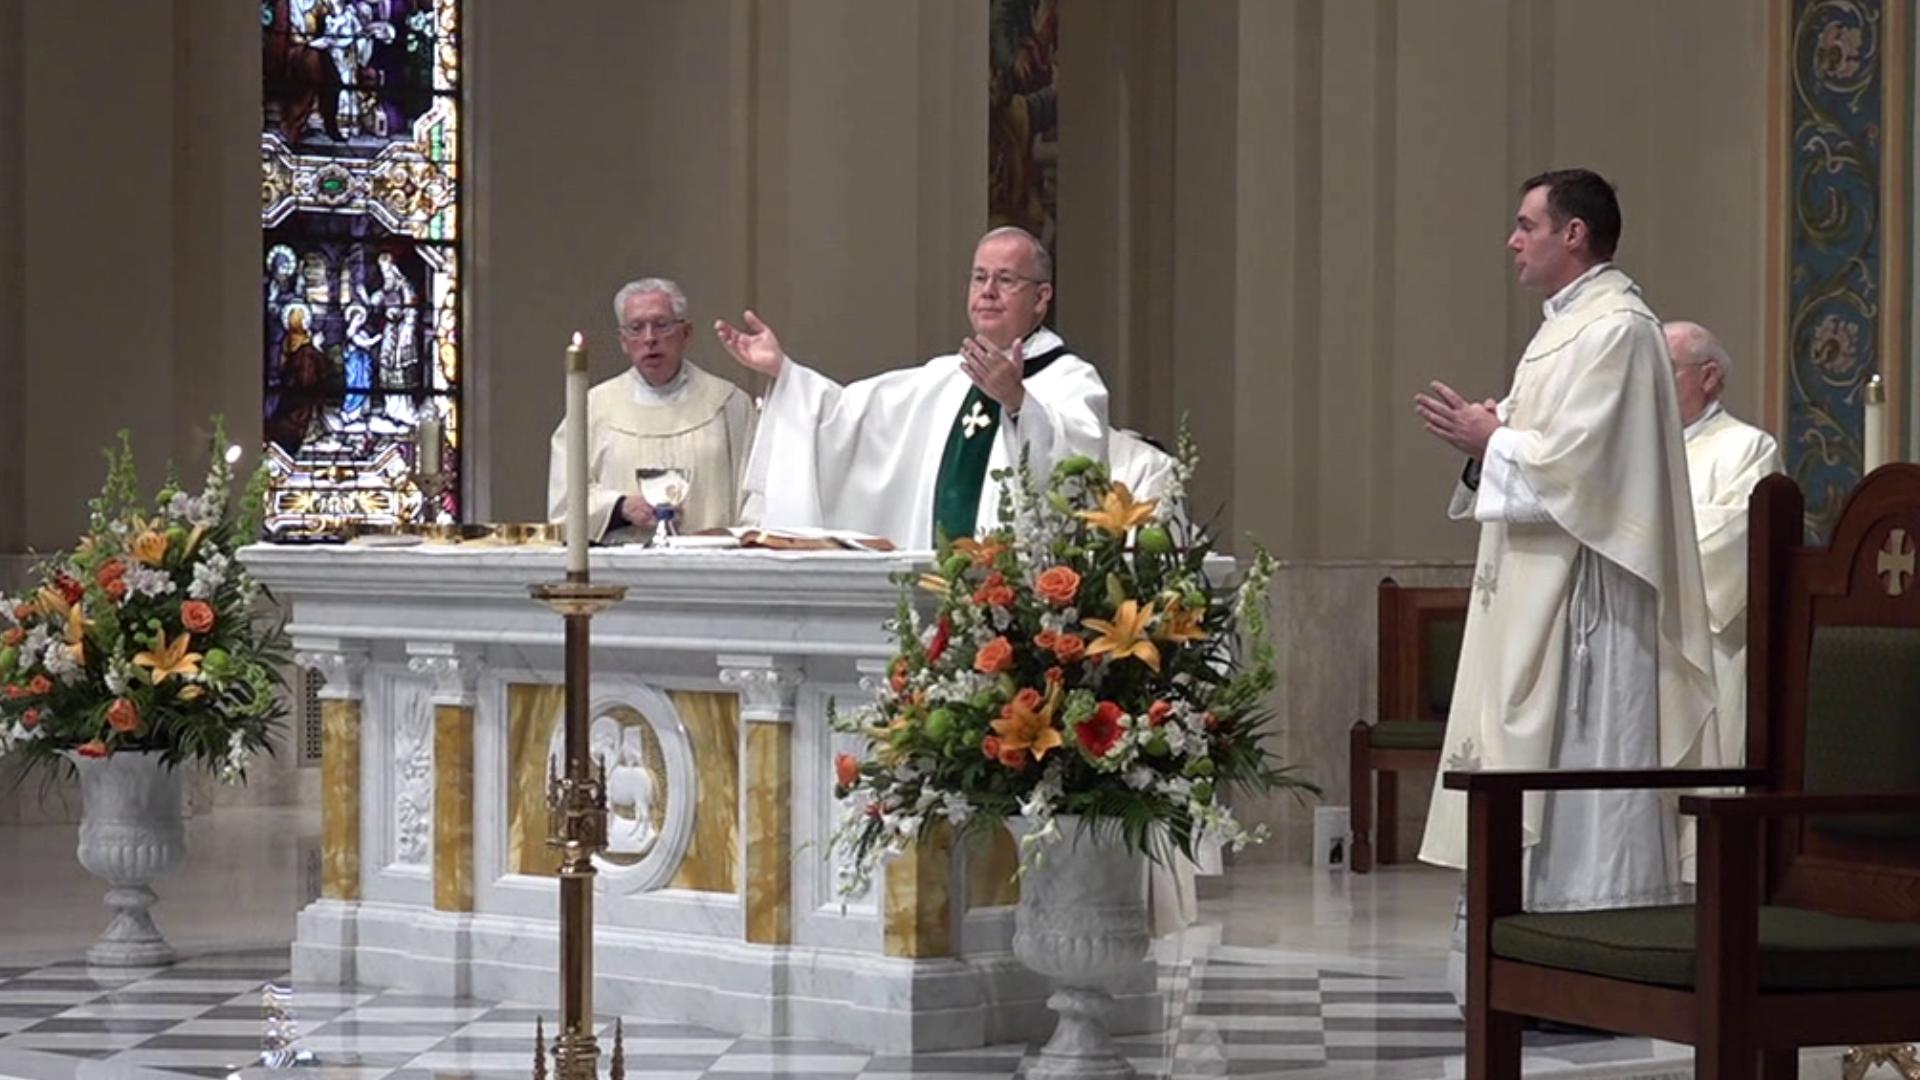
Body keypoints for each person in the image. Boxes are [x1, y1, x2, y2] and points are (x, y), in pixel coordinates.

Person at [1412, 169, 1720, 1003]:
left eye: (1526, 225)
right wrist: (1490, 443)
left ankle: (1593, 974)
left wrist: (1497, 439)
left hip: (1592, 611)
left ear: (1574, 234)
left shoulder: (1617, 330)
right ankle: (1528, 967)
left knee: (1585, 784)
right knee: (1536, 779)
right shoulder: (1565, 330)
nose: (1513, 240)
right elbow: (1542, 449)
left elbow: (1587, 471)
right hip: (1540, 594)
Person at [714, 226, 1109, 549]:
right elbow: (847, 421)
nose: (988, 291)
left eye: (1006, 280)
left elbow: (1080, 475)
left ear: (1041, 298)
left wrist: (1018, 402)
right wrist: (785, 372)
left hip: (1019, 602)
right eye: (979, 277)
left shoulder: (1070, 380)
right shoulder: (944, 377)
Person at [546, 277, 757, 541]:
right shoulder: (593, 408)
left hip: (709, 569)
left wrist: (729, 536)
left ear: (686, 333)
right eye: (636, 328)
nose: (649, 338)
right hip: (619, 571)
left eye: (661, 325)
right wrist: (620, 507)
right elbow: (565, 504)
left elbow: (757, 498)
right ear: (623, 341)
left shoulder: (729, 403)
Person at [1665, 320, 1782, 769]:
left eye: (1665, 369)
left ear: (1708, 376)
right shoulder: (1636, 449)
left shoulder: (1747, 449)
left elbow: (1737, 540)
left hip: (1709, 647)